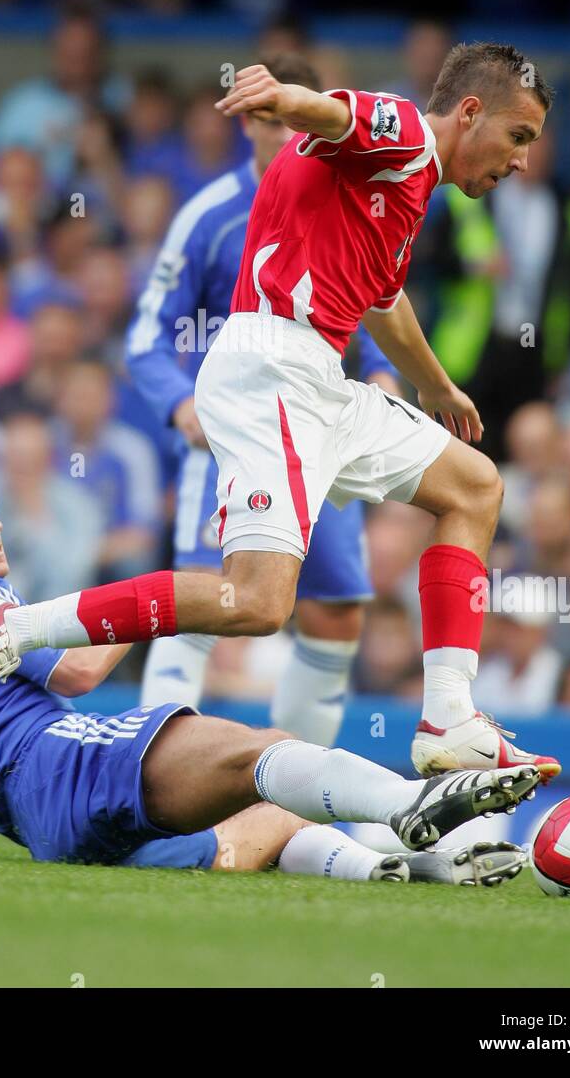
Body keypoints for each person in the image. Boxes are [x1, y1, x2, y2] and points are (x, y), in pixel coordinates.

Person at [0, 43, 562, 784]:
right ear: (468, 113)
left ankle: (448, 719)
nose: (521, 160)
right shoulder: (401, 131)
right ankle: (10, 629)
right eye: (517, 136)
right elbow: (332, 114)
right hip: (273, 368)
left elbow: (382, 299)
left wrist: (432, 383)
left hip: (315, 378)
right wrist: (285, 99)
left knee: (475, 486)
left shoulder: (406, 184)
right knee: (257, 603)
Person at [0, 456, 536, 888]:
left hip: (43, 830)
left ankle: (404, 867)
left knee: (255, 827)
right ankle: (407, 804)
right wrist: (155, 605)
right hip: (63, 765)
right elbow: (75, 672)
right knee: (260, 750)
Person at [126, 52, 396, 747]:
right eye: (277, 119)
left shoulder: (348, 195)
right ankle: (150, 769)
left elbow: (364, 307)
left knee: (335, 611)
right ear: (248, 121)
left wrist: (382, 376)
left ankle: (299, 789)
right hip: (231, 432)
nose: (290, 133)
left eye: (302, 115)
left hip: (317, 434)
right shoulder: (209, 217)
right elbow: (145, 336)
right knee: (205, 599)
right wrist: (179, 404)